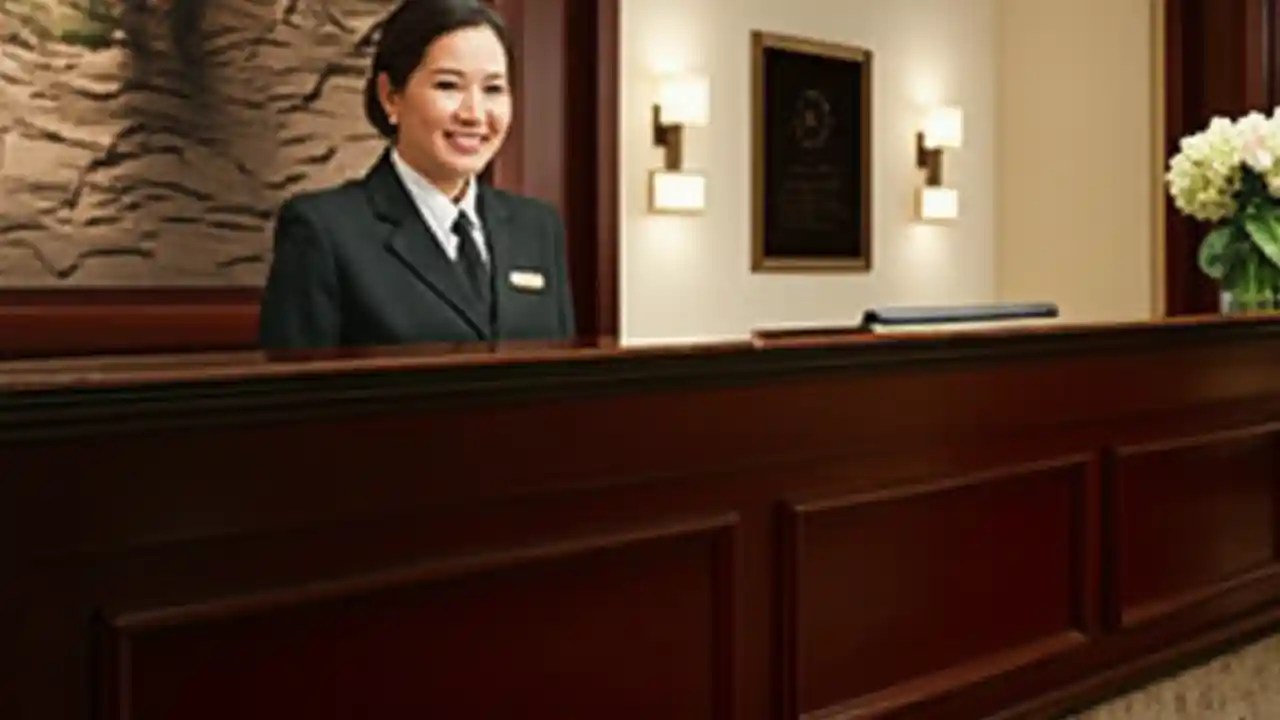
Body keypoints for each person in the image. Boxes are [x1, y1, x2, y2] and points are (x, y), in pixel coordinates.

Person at [259, 0, 575, 350]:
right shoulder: (323, 232)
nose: (474, 114)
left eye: (493, 89)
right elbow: (301, 398)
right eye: (448, 86)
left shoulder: (538, 228)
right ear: (390, 96)